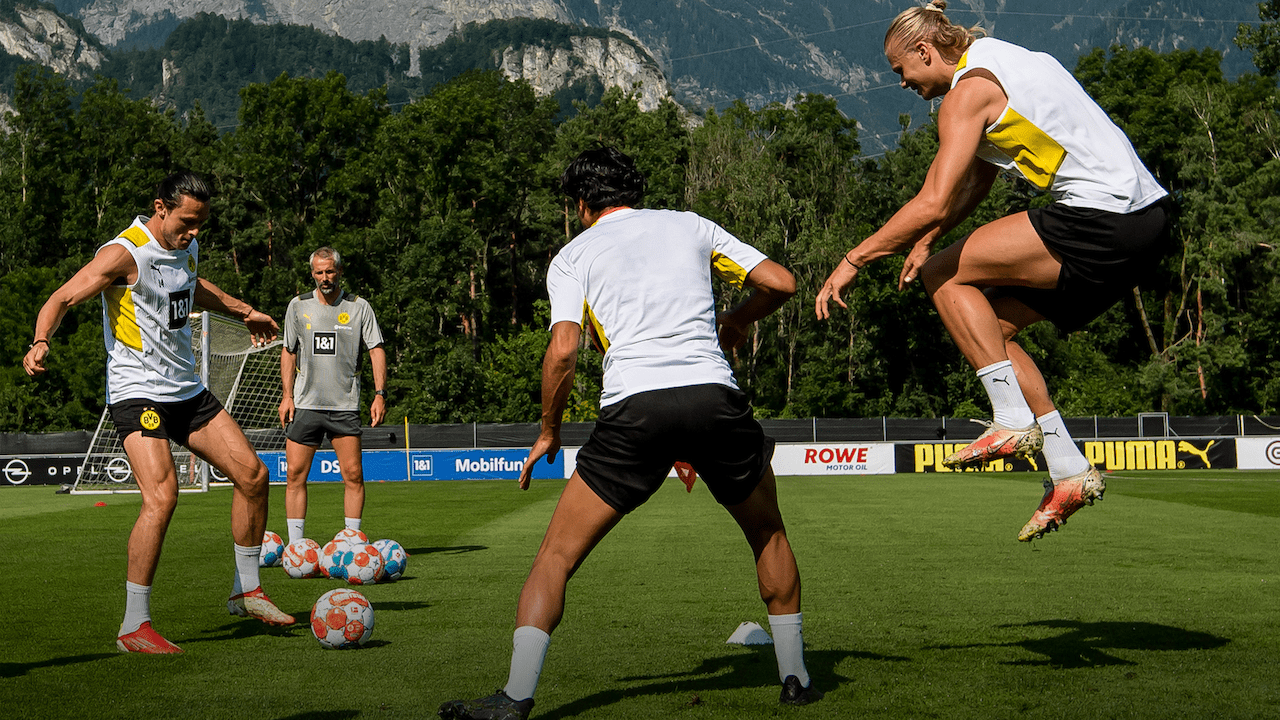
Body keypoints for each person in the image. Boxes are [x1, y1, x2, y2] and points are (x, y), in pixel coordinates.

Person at [438, 147, 820, 720]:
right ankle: (795, 678)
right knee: (767, 532)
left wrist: (549, 430)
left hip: (635, 409)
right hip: (714, 398)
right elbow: (783, 283)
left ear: (583, 204)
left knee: (556, 556)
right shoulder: (692, 226)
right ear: (633, 191)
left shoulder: (572, 255)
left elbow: (563, 351)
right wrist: (738, 320)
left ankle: (515, 697)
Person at [816, 0, 1172, 542]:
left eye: (901, 72)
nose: (903, 84)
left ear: (924, 50)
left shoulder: (966, 93)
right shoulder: (1001, 60)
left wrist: (853, 260)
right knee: (993, 333)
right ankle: (1069, 471)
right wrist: (931, 236)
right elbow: (977, 178)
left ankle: (1010, 419)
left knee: (943, 277)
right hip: (1147, 222)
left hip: (1102, 216)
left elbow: (933, 199)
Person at [22, 171, 296, 654]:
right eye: (187, 222)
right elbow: (62, 296)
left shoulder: (184, 245)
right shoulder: (125, 252)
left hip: (186, 391)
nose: (193, 233)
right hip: (137, 393)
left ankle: (247, 591)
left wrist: (243, 309)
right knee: (163, 496)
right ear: (161, 207)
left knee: (253, 475)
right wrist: (41, 340)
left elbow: (192, 286)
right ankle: (134, 625)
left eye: (201, 226)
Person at [278, 247, 387, 545]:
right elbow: (288, 352)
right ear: (312, 274)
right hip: (305, 405)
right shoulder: (297, 306)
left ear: (339, 271)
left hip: (344, 407)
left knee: (353, 475)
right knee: (294, 476)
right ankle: (296, 546)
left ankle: (352, 544)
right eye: (319, 272)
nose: (325, 278)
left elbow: (376, 349)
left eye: (329, 271)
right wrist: (287, 396)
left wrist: (380, 394)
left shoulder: (359, 307)